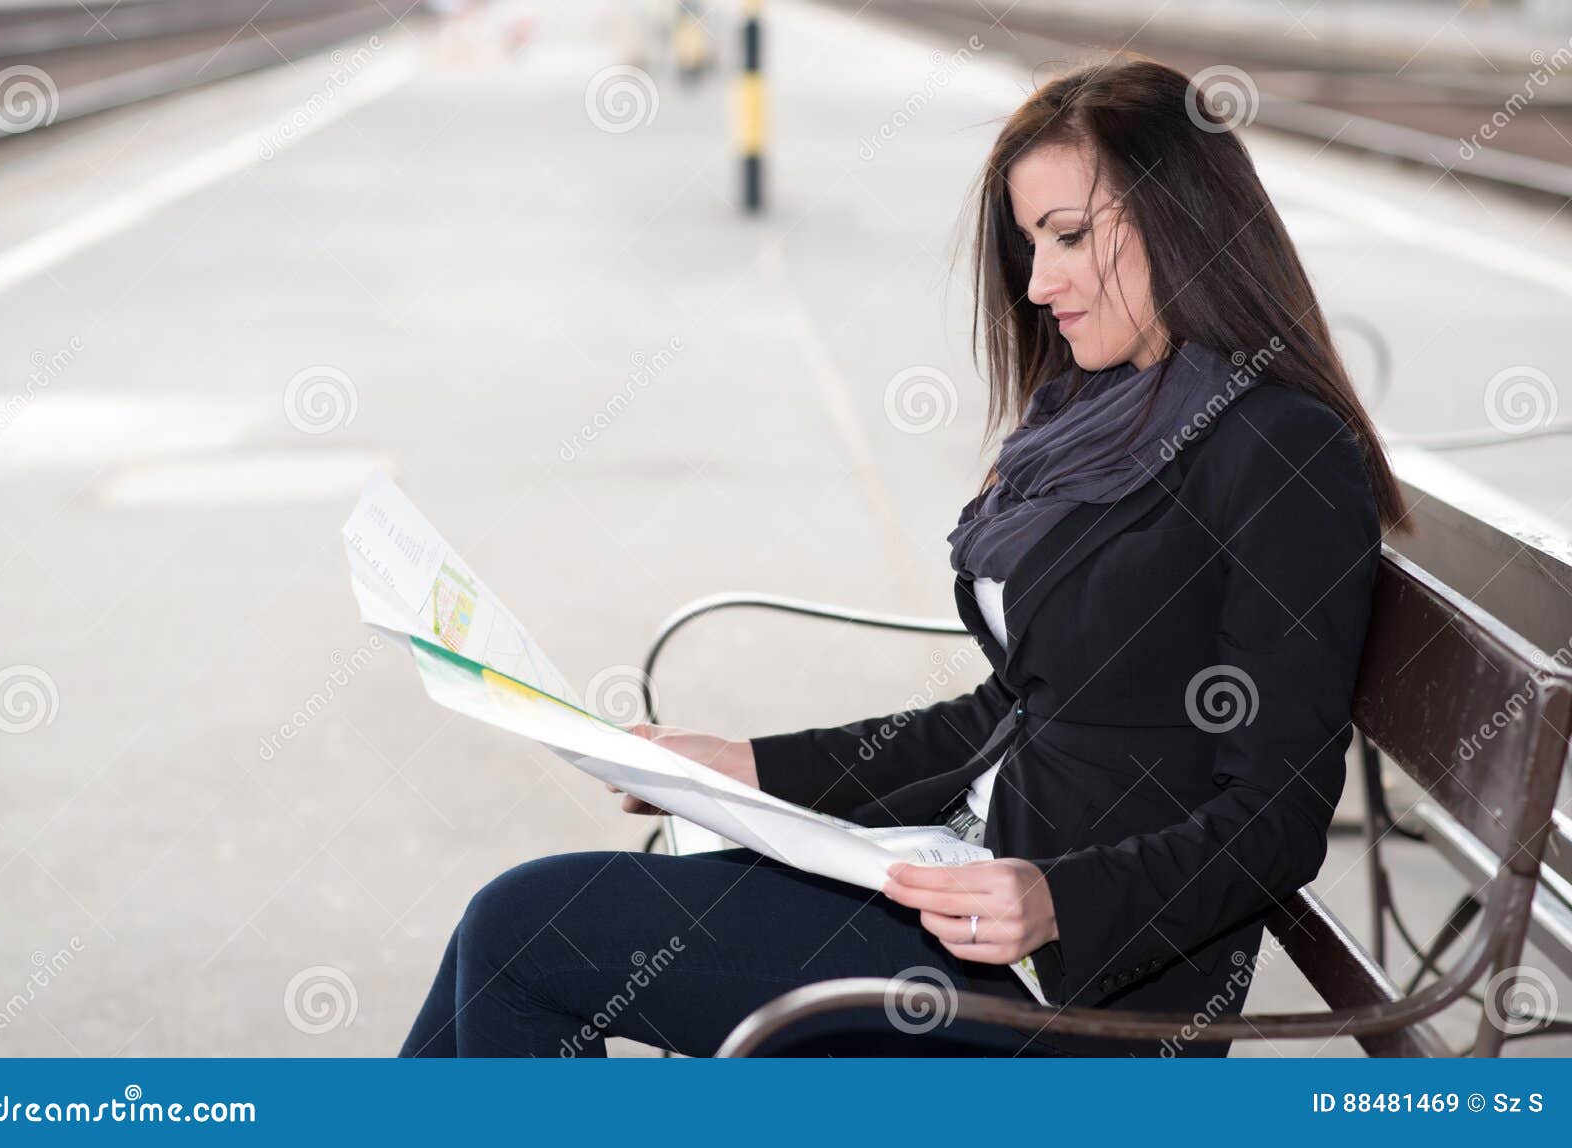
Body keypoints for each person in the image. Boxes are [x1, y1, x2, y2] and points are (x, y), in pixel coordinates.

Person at [399, 54, 1409, 1058]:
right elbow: (1012, 711)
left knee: (522, 934)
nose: (1039, 281)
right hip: (945, 891)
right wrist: (742, 768)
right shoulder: (1106, 414)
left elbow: (1274, 818)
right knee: (520, 936)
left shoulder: (1277, 448)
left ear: (1183, 219)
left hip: (1071, 997)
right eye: (1028, 243)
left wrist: (1053, 899)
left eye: (1068, 236)